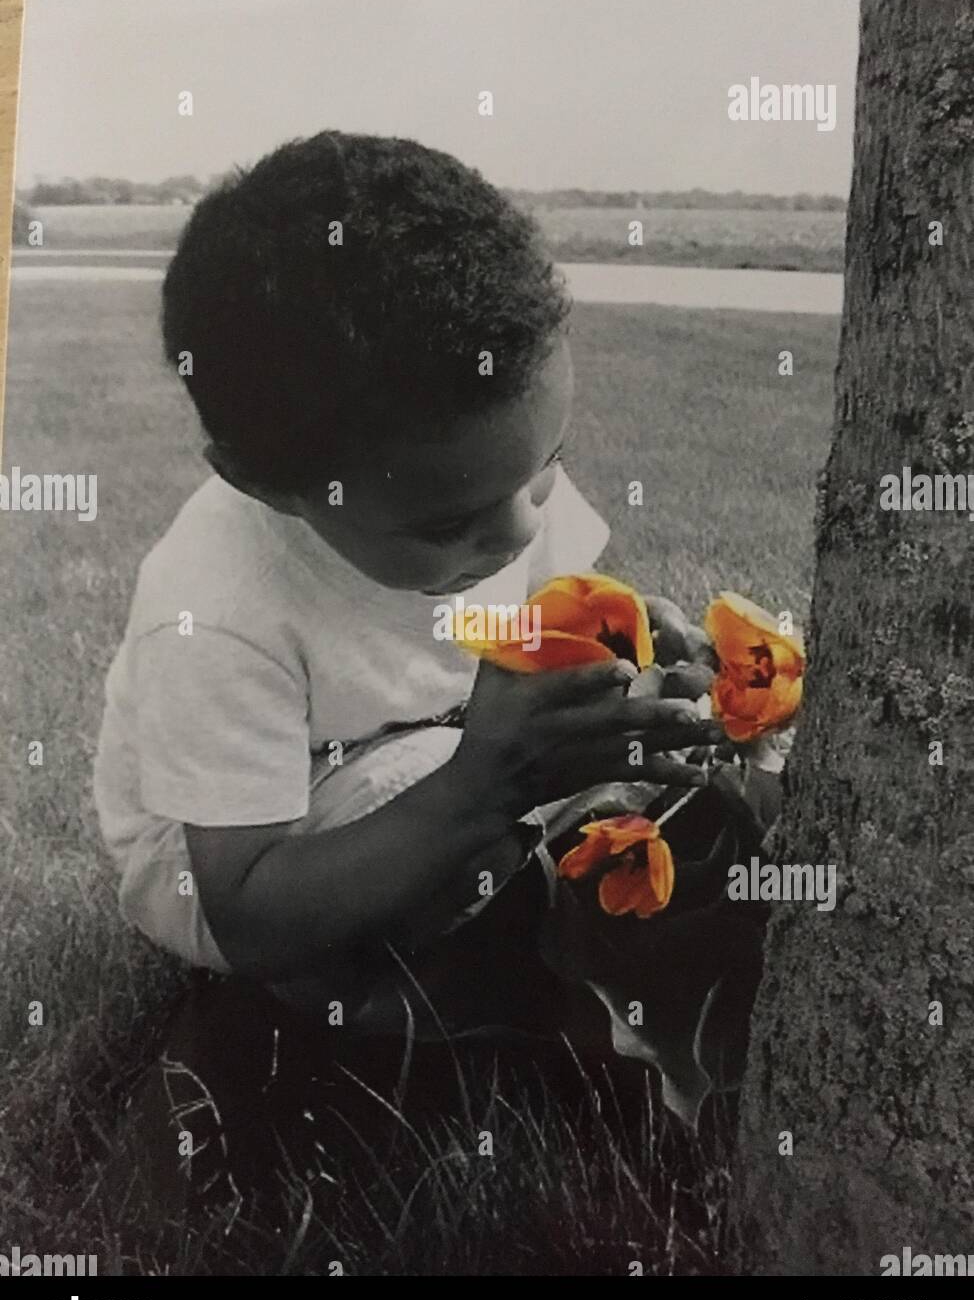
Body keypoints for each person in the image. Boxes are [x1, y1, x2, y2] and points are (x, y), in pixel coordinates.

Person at [93, 131, 770, 1219]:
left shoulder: (490, 489)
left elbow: (542, 617)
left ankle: (546, 979)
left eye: (541, 471)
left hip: (438, 754)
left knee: (617, 830)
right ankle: (277, 1052)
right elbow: (250, 901)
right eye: (451, 521)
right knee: (452, 886)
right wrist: (478, 788)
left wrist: (633, 644)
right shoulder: (213, 604)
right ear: (273, 488)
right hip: (250, 858)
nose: (519, 531)